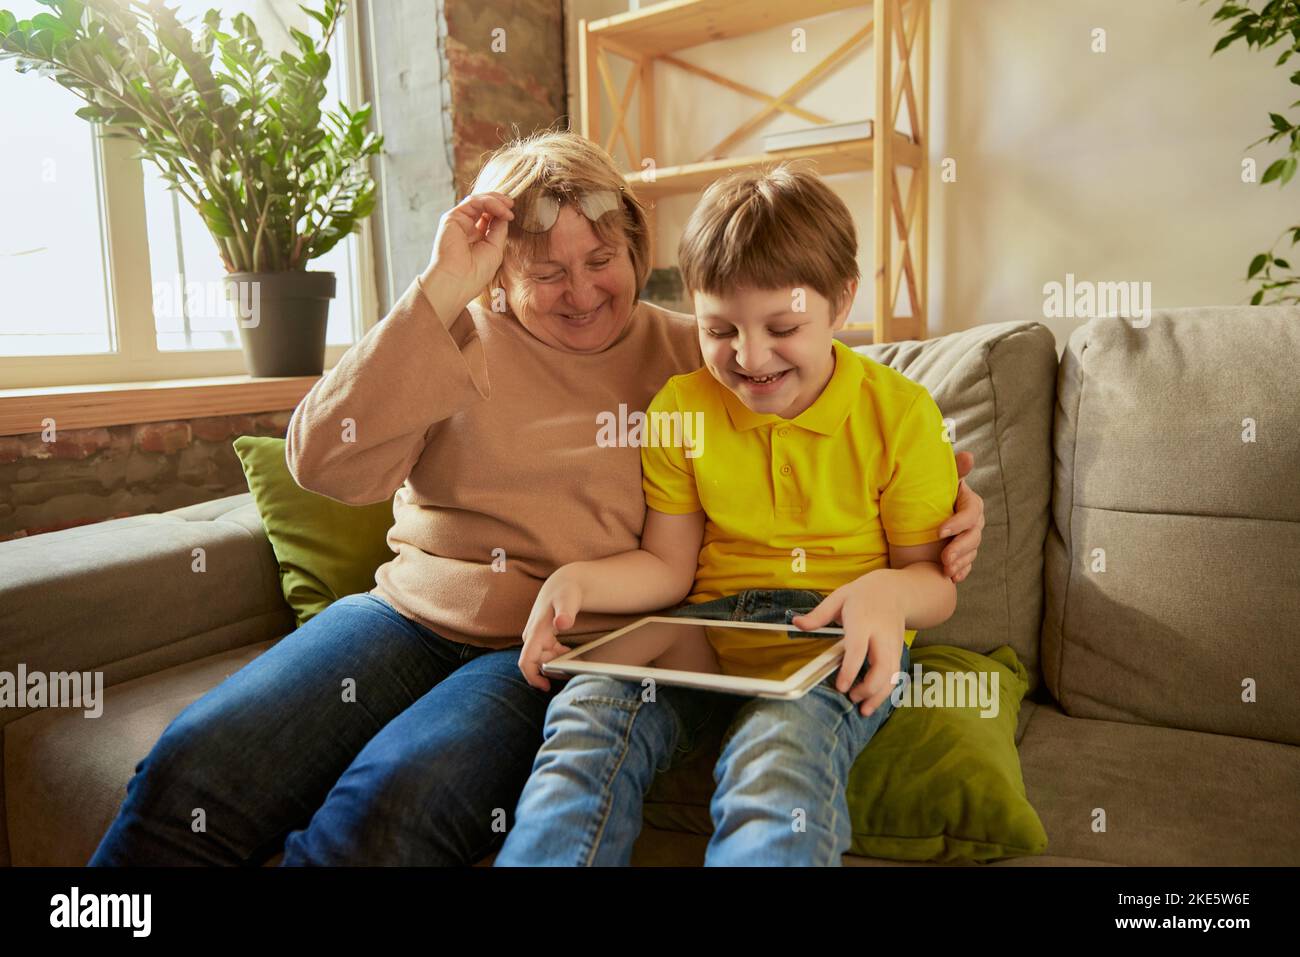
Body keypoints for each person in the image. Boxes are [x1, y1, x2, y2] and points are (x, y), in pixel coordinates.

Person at [87, 131, 986, 867]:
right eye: (547, 272)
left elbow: (842, 402)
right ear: (498, 274)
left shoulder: (700, 351)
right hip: (404, 618)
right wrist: (440, 292)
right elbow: (325, 461)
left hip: (551, 648)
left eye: (603, 258)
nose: (584, 290)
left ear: (636, 248)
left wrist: (943, 514)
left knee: (394, 805)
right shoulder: (458, 333)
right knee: (197, 758)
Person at [496, 164, 957, 866]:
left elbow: (934, 581)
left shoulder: (901, 414)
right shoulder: (682, 406)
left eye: (783, 327)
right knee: (586, 714)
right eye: (719, 330)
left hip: (831, 642)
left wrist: (886, 590)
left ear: (842, 302)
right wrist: (578, 583)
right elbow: (667, 566)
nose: (750, 357)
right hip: (702, 632)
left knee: (775, 768)